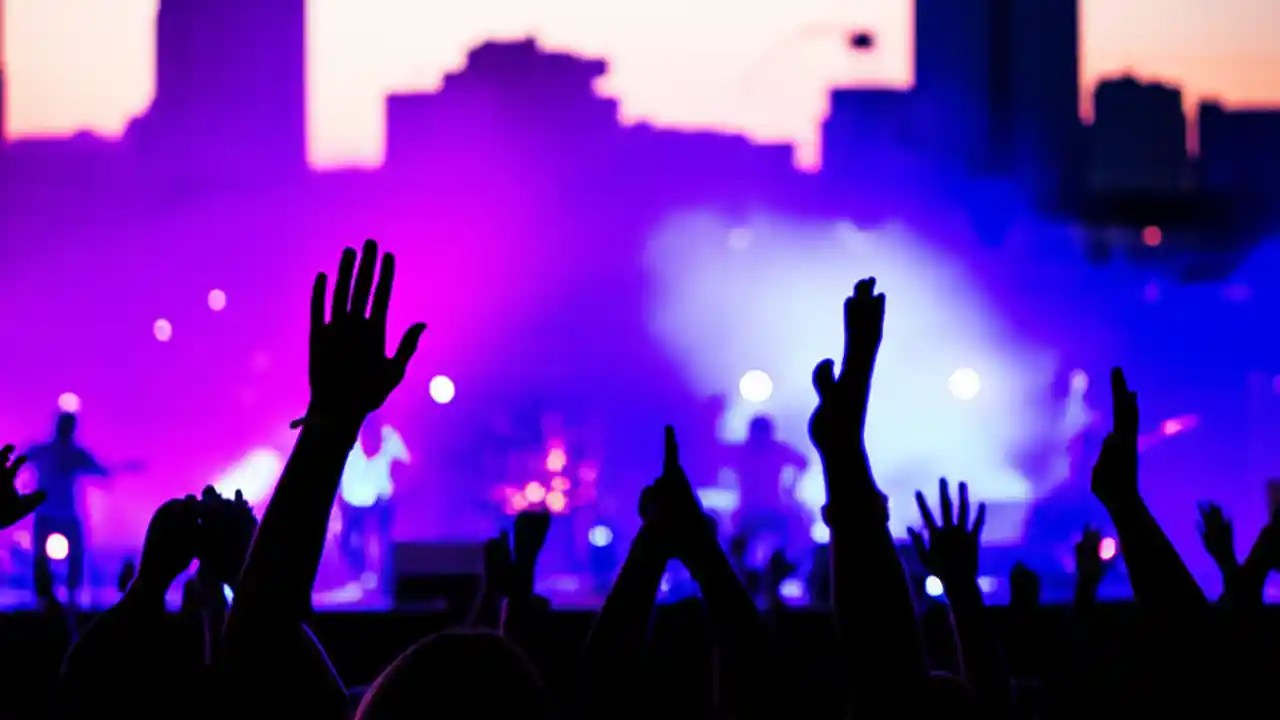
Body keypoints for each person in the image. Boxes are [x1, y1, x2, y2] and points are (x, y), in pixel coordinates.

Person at [24, 412, 110, 603]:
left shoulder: (59, 453)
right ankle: (57, 597)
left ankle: (59, 597)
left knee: (66, 555)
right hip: (54, 513)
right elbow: (100, 470)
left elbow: (100, 470)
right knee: (58, 556)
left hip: (56, 512)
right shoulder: (64, 453)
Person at [720, 415, 809, 559]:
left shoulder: (771, 450)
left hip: (766, 508)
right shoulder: (768, 449)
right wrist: (791, 488)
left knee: (792, 533)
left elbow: (803, 462)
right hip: (753, 509)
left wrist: (791, 488)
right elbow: (802, 462)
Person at [338, 417, 409, 589]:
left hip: (381, 499)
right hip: (352, 501)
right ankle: (360, 577)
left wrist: (398, 482)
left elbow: (406, 462)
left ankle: (383, 579)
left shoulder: (389, 436)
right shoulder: (346, 435)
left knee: (382, 540)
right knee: (350, 541)